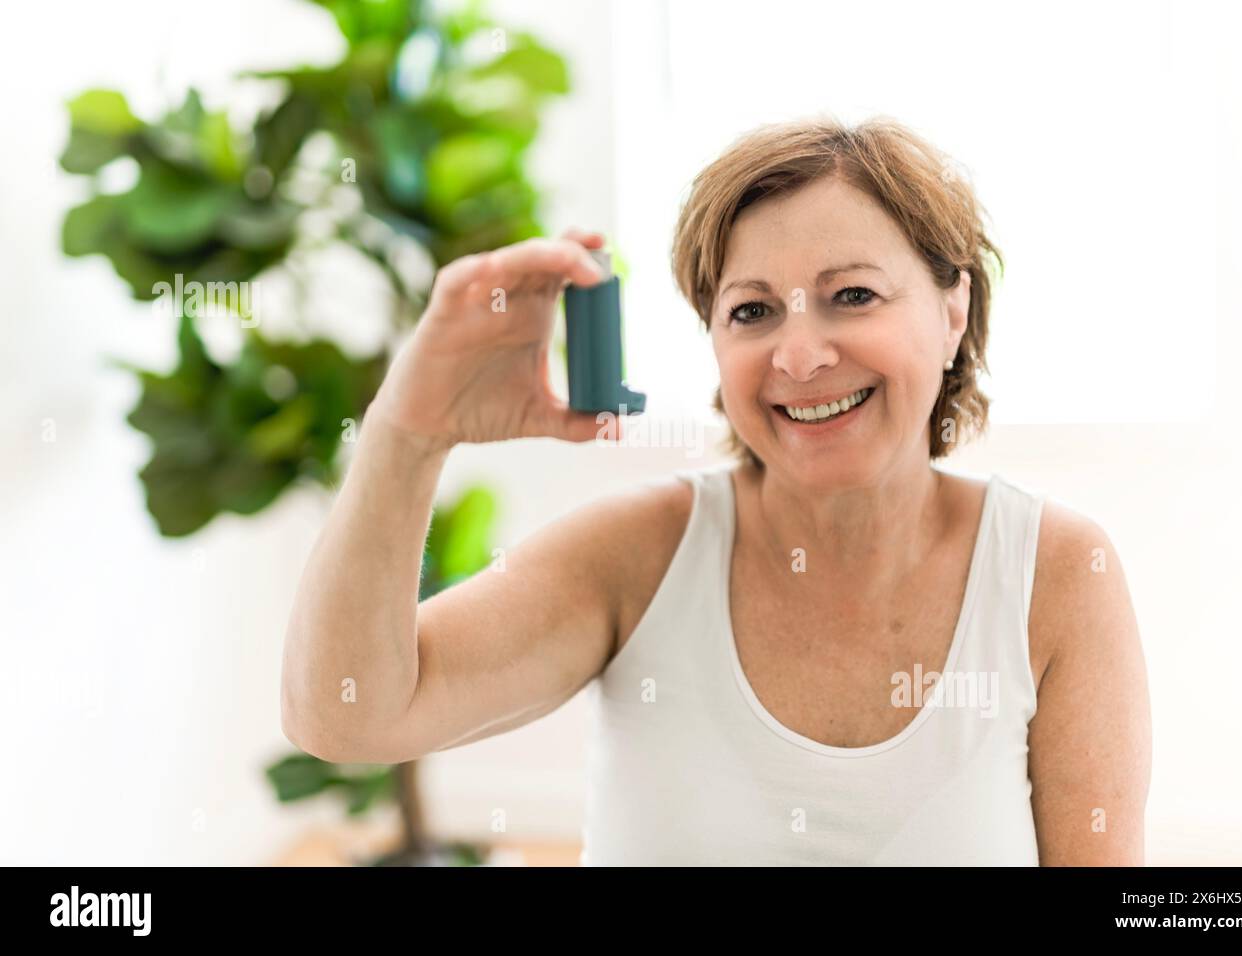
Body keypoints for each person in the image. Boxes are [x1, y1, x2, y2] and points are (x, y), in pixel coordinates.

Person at [280, 116, 1151, 866]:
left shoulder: (1057, 574)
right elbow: (345, 716)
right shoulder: (640, 555)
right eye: (753, 310)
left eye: (853, 295)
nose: (800, 355)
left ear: (952, 309)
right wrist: (408, 433)